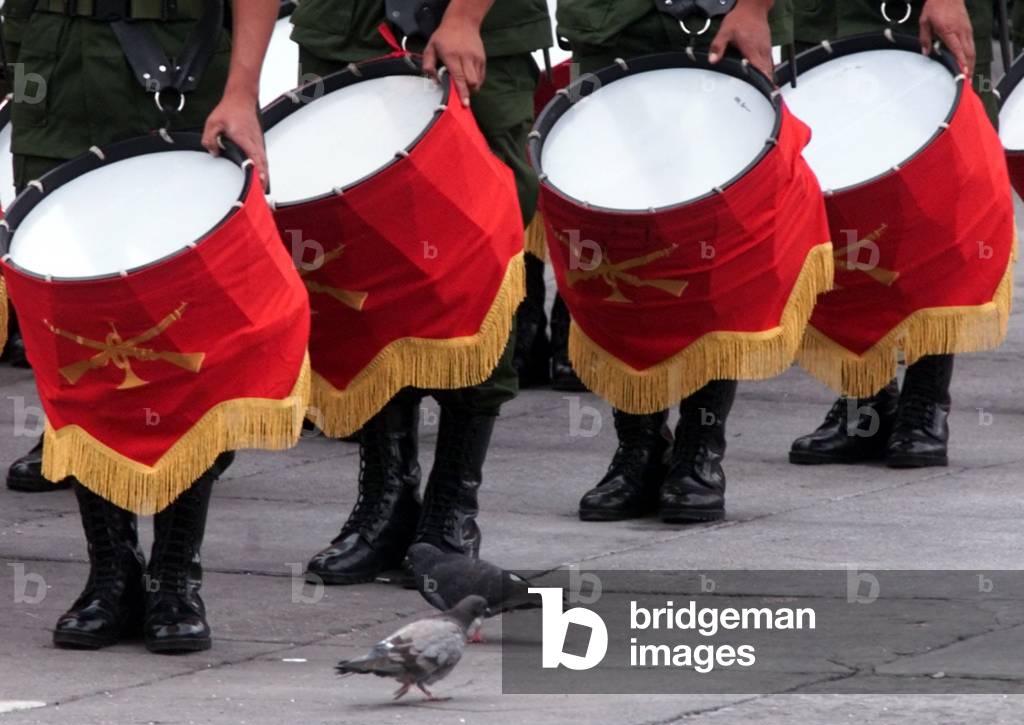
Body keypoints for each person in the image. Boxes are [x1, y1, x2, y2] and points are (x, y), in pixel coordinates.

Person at [3, 0, 277, 652]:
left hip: (177, 58)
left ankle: (177, 574)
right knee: (74, 320)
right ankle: (112, 571)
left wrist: (242, 90)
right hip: (54, 63)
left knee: (185, 329)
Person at [291, 0, 552, 584]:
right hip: (349, 31)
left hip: (474, 33)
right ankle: (384, 503)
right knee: (365, 262)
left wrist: (463, 16)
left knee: (474, 257)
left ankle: (452, 509)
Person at [557, 0, 793, 523]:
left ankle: (700, 448)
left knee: (716, 235)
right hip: (611, 25)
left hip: (722, 20)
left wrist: (754, 7)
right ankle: (639, 447)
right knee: (615, 232)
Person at [788, 0, 992, 469]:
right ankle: (866, 399)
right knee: (838, 200)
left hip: (913, 13)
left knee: (936, 213)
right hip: (823, 17)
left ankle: (925, 403)